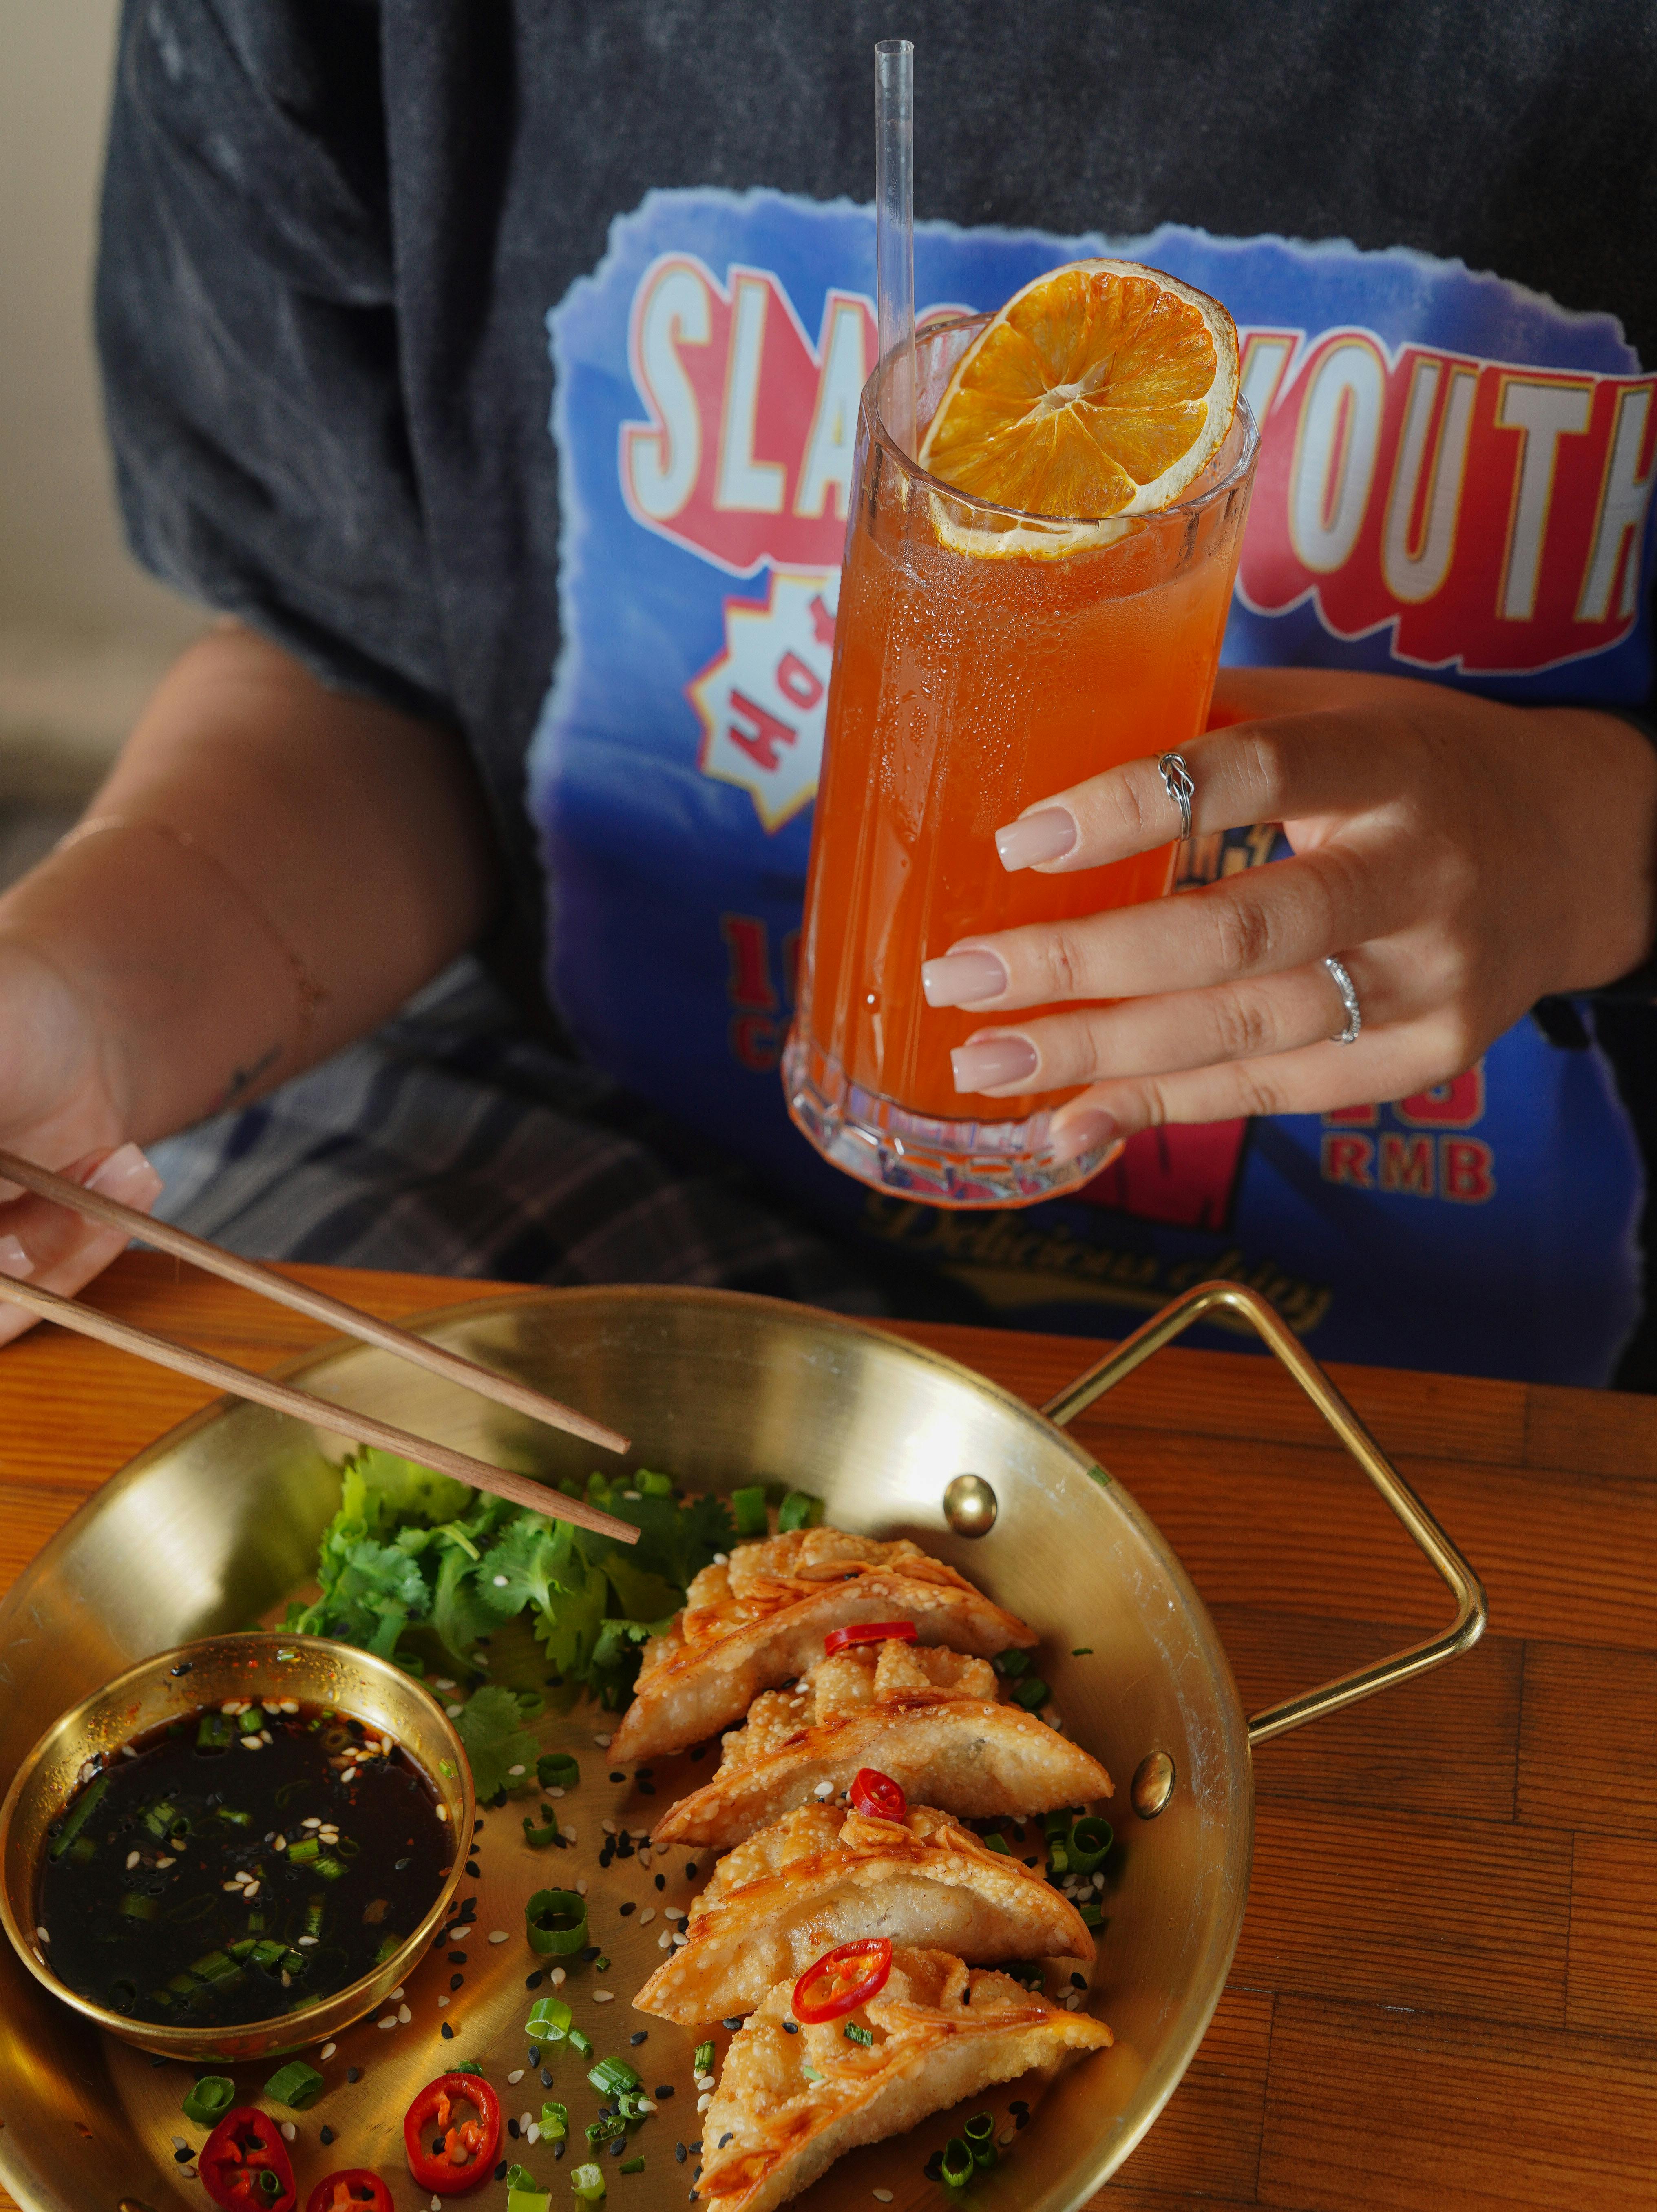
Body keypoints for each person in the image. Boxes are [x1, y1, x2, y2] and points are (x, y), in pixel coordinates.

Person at [2, 1, 1653, 1387]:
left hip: (1484, 1341)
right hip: (616, 1152)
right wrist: (75, 1016)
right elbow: (365, 675)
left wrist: (1577, 848)